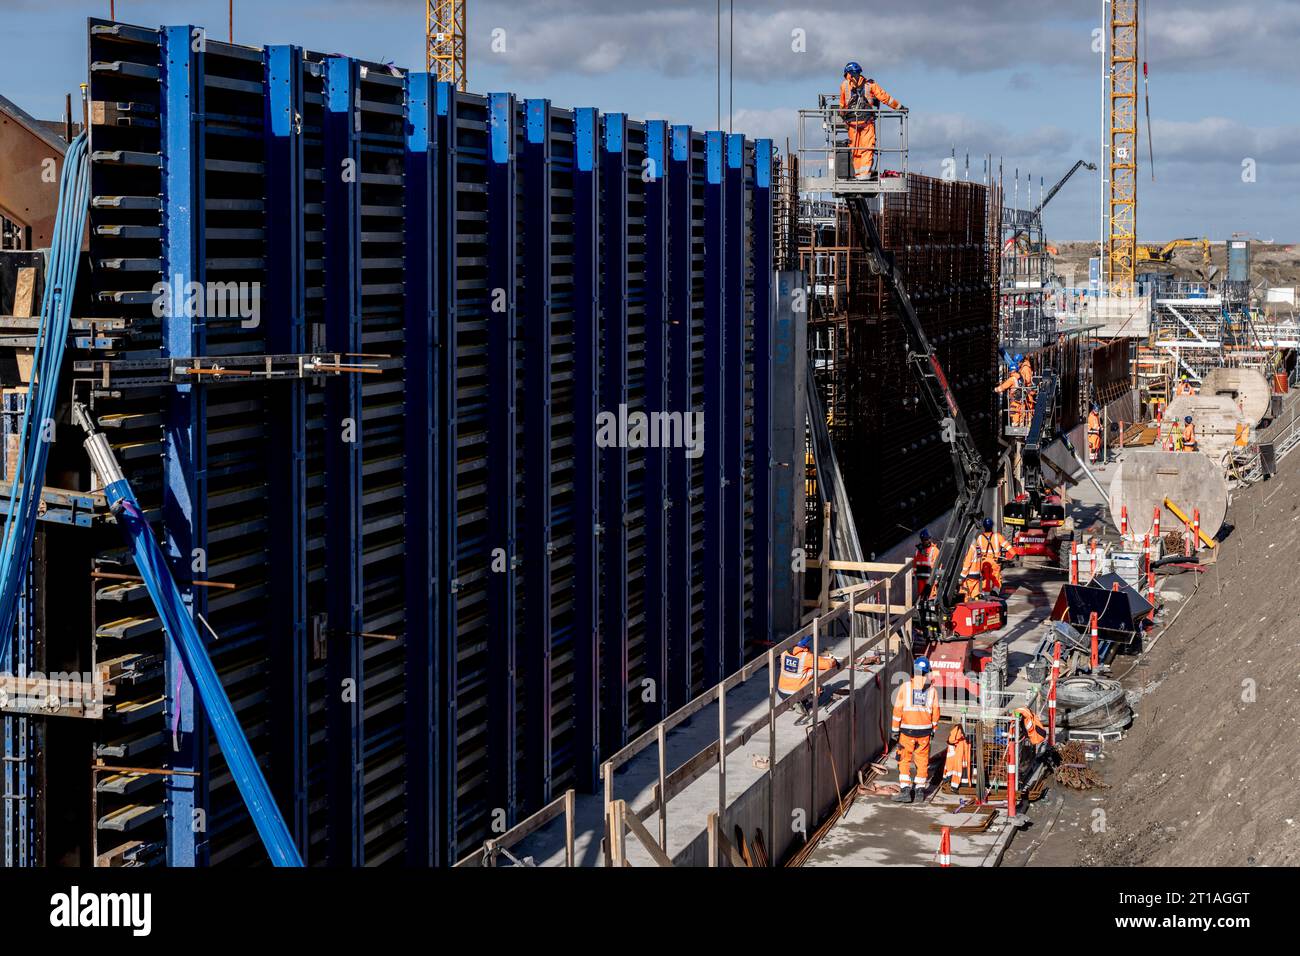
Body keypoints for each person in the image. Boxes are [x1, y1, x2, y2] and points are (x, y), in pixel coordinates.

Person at [839, 62, 903, 180]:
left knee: (859, 149)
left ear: (848, 74)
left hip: (857, 123)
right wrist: (899, 107)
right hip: (861, 123)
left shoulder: (848, 85)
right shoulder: (868, 85)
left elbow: (842, 106)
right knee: (863, 149)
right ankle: (862, 175)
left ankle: (861, 175)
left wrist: (844, 120)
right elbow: (885, 97)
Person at [890, 657, 940, 803]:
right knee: (922, 761)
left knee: (904, 759)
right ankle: (919, 792)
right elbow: (936, 713)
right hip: (924, 732)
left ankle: (905, 790)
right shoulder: (932, 690)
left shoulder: (905, 687)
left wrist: (894, 729)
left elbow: (897, 710)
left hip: (907, 731)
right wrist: (933, 730)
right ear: (927, 671)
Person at [777, 636, 839, 716]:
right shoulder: (805, 656)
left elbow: (813, 659)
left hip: (782, 692)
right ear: (803, 645)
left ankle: (789, 704)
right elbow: (827, 664)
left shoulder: (784, 652)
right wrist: (833, 661)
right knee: (820, 688)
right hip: (797, 694)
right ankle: (800, 704)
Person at [963, 517, 1017, 595]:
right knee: (996, 580)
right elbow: (1007, 546)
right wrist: (1014, 555)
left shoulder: (980, 538)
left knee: (986, 579)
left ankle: (986, 595)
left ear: (984, 527)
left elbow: (977, 552)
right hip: (995, 562)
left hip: (985, 562)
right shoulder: (997, 536)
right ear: (992, 526)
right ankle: (995, 594)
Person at [942, 724, 974, 792]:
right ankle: (955, 785)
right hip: (955, 778)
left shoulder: (954, 743)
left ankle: (952, 783)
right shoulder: (961, 744)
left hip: (952, 775)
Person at [996, 362, 1027, 427]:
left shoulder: (1012, 379)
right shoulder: (1021, 377)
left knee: (1014, 415)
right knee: (1021, 414)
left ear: (1011, 370)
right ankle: (1021, 427)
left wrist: (995, 390)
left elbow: (1003, 387)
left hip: (1015, 401)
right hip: (1022, 399)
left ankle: (1015, 430)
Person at [913, 528, 940, 598]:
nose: (926, 541)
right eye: (924, 540)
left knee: (930, 597)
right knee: (921, 597)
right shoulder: (918, 551)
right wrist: (913, 575)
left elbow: (938, 566)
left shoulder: (935, 550)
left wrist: (936, 579)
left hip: (930, 579)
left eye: (927, 539)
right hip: (921, 579)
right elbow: (915, 564)